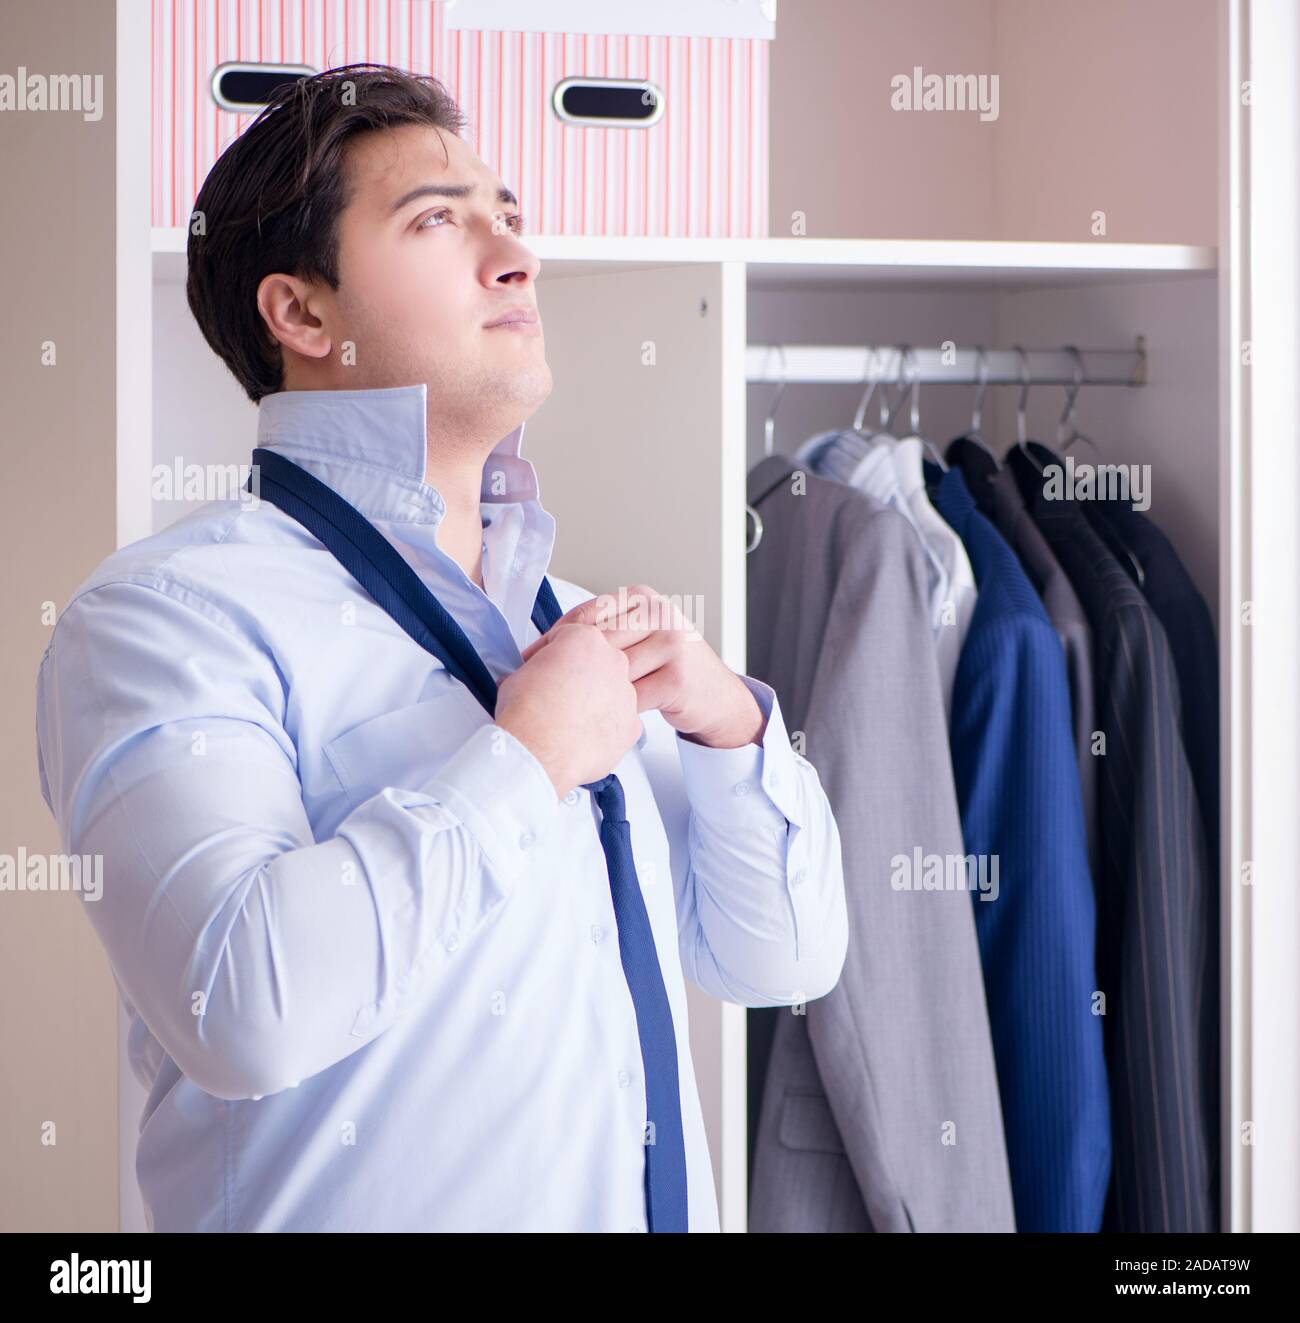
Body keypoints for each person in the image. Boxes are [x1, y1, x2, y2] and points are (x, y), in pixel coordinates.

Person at [33, 64, 847, 1232]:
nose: (514, 253)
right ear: (302, 314)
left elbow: (779, 962)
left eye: (506, 213)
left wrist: (732, 730)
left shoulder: (569, 625)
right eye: (436, 219)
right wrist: (524, 763)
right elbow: (240, 1008)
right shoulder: (165, 618)